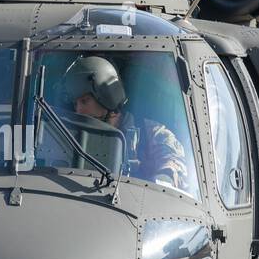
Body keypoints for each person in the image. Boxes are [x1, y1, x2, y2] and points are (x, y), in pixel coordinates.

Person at [60, 55, 188, 190]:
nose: (78, 110)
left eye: (84, 101)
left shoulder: (150, 133)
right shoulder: (66, 133)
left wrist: (164, 177)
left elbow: (174, 160)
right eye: (75, 103)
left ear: (108, 96)